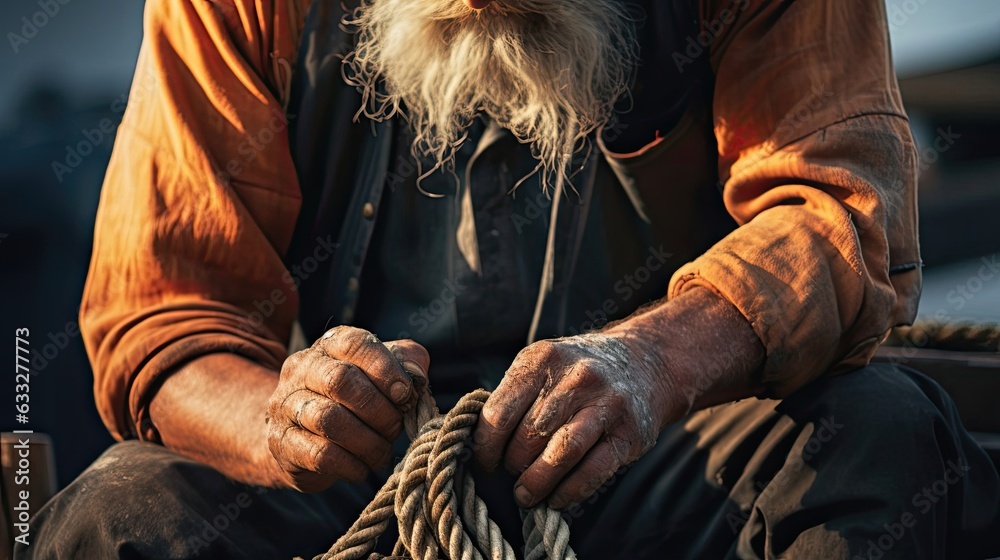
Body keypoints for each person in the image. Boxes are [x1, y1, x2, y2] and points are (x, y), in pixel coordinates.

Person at [17, 0, 1000, 558]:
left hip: (667, 452)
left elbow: (836, 212)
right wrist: (283, 417)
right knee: (121, 515)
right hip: (359, 490)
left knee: (879, 437)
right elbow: (166, 313)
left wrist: (652, 361)